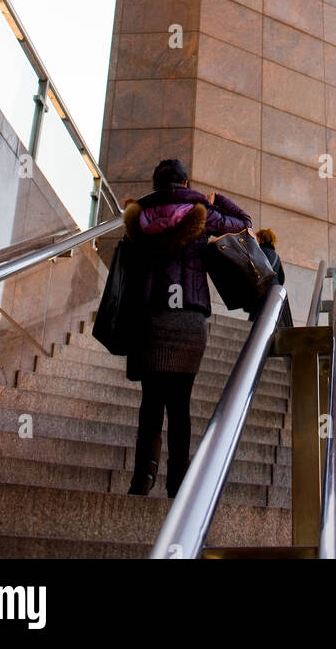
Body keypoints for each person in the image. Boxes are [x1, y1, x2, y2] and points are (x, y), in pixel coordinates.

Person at [123, 158, 252, 498]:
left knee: (150, 403)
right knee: (180, 405)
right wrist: (217, 197)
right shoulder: (201, 212)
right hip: (189, 321)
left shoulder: (140, 218)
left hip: (152, 317)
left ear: (156, 181)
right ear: (184, 181)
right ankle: (177, 484)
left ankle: (142, 480)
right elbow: (244, 224)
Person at [248, 227, 293, 328]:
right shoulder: (276, 256)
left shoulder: (258, 251)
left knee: (256, 315)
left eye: (258, 237)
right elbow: (282, 277)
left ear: (261, 239)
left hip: (261, 288)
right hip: (273, 290)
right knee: (267, 313)